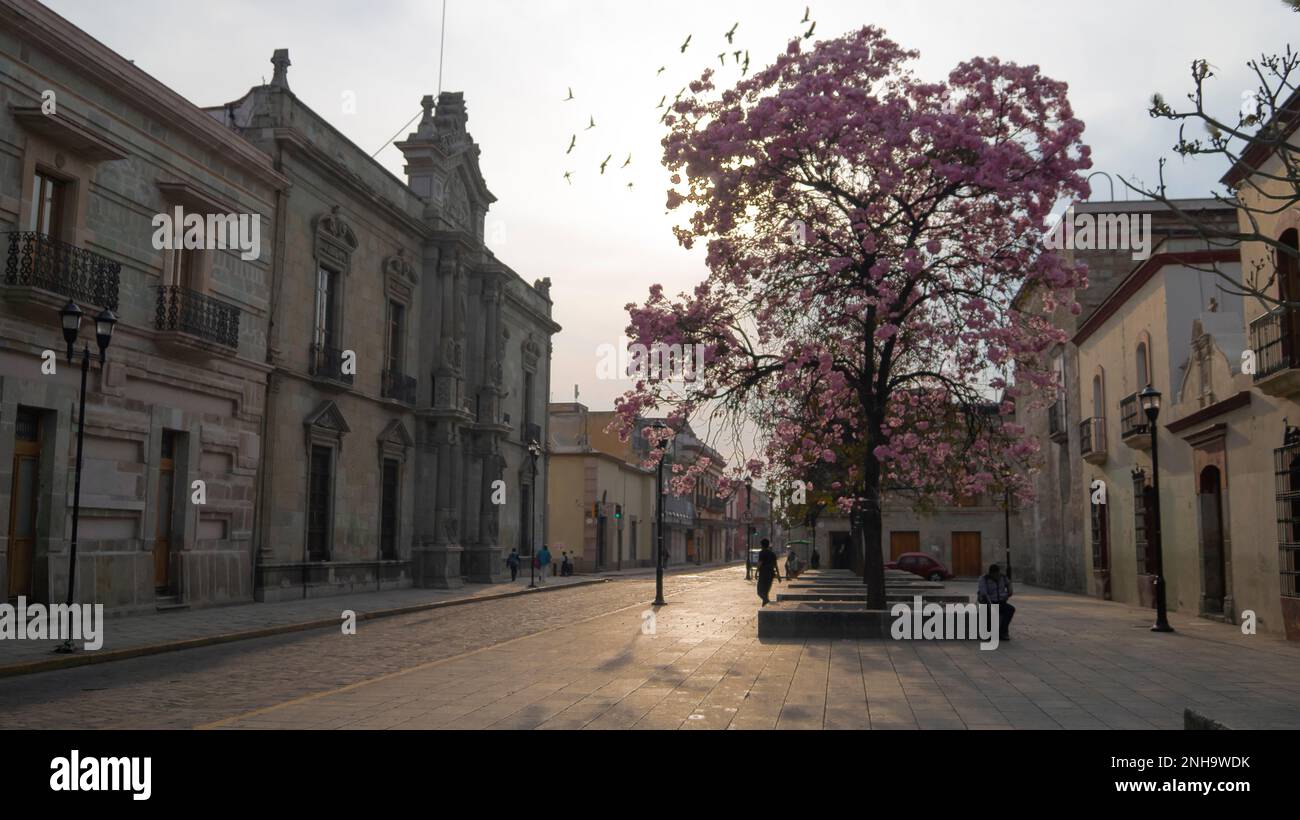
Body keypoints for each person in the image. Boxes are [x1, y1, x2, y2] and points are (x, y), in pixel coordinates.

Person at [977, 563, 1015, 640]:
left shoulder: (1003, 577)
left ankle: (1003, 632)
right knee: (988, 611)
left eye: (998, 574)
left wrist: (1009, 592)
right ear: (991, 573)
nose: (997, 577)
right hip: (988, 601)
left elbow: (1009, 585)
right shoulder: (984, 579)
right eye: (995, 575)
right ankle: (987, 633)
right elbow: (984, 593)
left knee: (1010, 609)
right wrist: (990, 604)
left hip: (1000, 601)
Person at [755, 538, 782, 606]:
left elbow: (760, 563)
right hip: (771, 575)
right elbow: (776, 565)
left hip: (763, 574)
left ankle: (767, 602)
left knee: (760, 592)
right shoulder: (772, 553)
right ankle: (764, 607)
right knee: (766, 592)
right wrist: (778, 575)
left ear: (762, 545)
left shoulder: (762, 552)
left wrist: (756, 572)